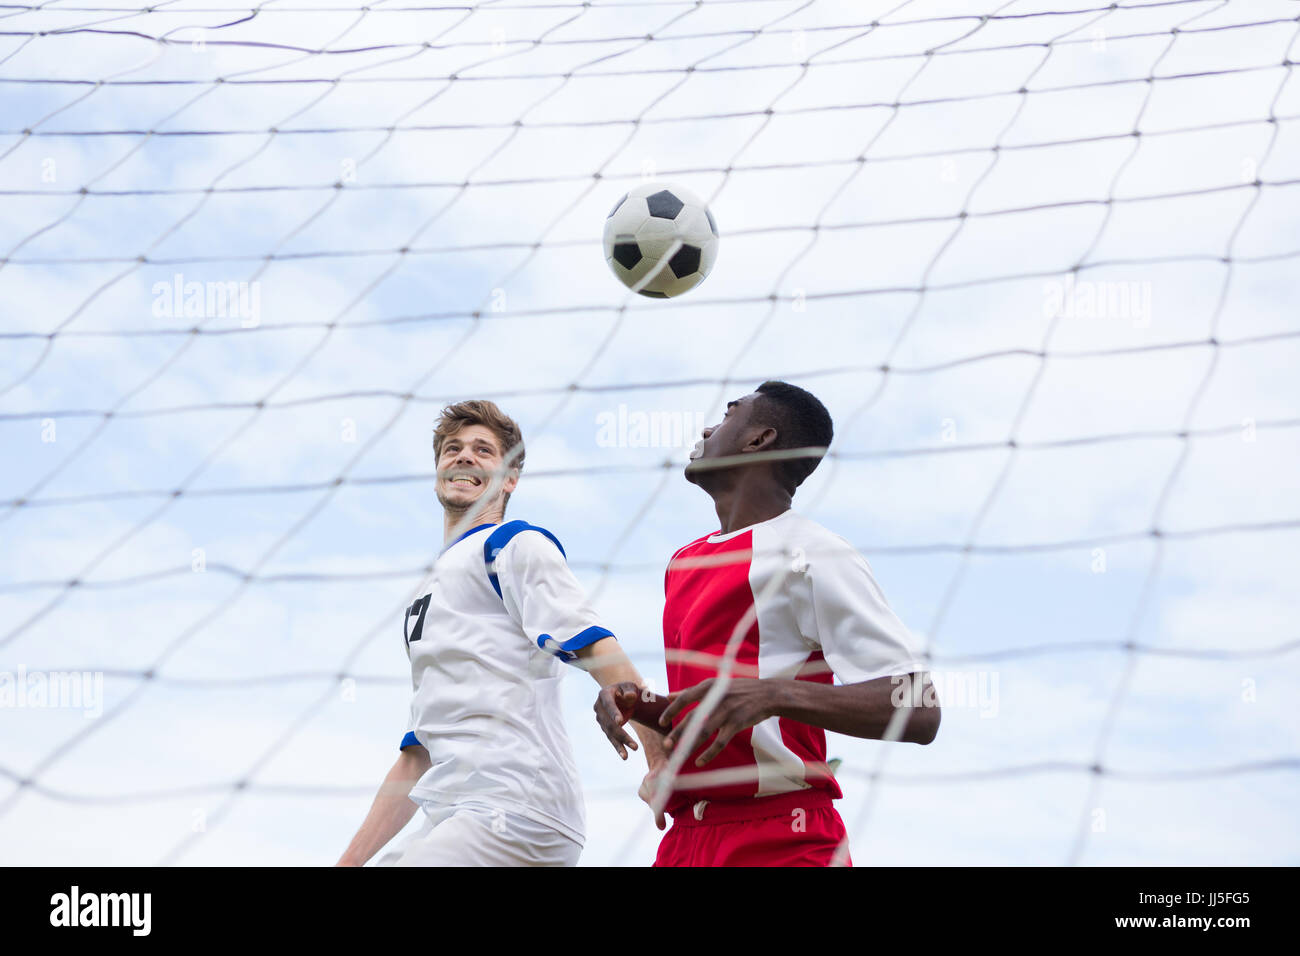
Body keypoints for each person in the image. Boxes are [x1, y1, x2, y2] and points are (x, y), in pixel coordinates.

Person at [594, 381, 939, 866]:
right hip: (685, 840)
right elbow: (718, 708)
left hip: (782, 837)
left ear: (759, 440)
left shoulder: (813, 552)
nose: (709, 428)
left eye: (728, 415)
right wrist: (643, 704)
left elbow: (921, 708)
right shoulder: (684, 562)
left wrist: (775, 693)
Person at [338, 400, 663, 867]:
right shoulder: (421, 600)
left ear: (510, 479)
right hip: (451, 815)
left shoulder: (512, 545)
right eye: (452, 448)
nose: (464, 456)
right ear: (438, 472)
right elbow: (418, 755)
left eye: (483, 450)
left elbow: (590, 639)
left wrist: (655, 744)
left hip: (516, 808)